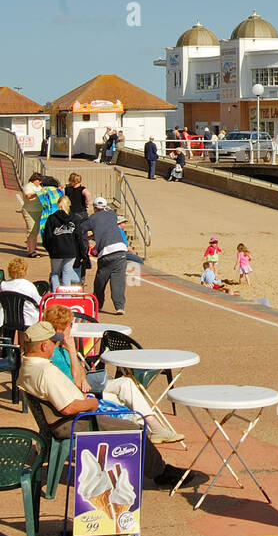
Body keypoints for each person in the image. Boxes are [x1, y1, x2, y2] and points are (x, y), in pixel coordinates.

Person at [18, 322, 187, 489]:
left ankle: (154, 464)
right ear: (43, 345)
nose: (55, 346)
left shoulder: (28, 366)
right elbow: (67, 408)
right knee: (134, 427)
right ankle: (160, 473)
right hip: (75, 419)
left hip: (65, 418)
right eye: (53, 342)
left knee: (124, 399)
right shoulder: (45, 372)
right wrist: (91, 403)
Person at [86, 197, 128, 314]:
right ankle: (119, 306)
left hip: (106, 252)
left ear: (94, 208)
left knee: (100, 280)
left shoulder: (93, 218)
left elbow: (83, 228)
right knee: (118, 280)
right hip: (120, 249)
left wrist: (87, 237)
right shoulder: (112, 215)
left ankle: (98, 304)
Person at [42, 196, 88, 291]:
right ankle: (66, 295)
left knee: (55, 273)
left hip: (56, 251)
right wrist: (82, 253)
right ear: (69, 205)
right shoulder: (74, 218)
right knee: (67, 273)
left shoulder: (52, 218)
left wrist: (49, 249)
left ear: (58, 205)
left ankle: (56, 294)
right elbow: (78, 237)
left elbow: (47, 236)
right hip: (71, 251)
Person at [0, 258, 41, 327]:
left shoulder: (3, 285)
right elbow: (39, 302)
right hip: (27, 319)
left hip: (7, 318)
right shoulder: (28, 285)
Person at [20, 174, 45, 256]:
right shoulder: (28, 186)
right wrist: (38, 193)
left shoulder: (39, 187)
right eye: (39, 180)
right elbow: (28, 196)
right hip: (29, 211)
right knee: (32, 230)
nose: (40, 182)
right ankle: (31, 251)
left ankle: (32, 247)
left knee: (36, 230)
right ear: (35, 179)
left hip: (38, 210)